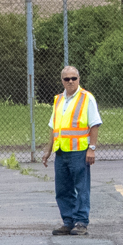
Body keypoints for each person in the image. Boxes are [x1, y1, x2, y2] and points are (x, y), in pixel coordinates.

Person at [49, 65, 101, 236]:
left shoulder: (87, 98)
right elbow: (54, 127)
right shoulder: (58, 100)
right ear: (62, 81)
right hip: (61, 151)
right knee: (63, 189)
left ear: (79, 79)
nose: (70, 82)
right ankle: (68, 221)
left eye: (74, 78)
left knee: (81, 187)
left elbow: (94, 124)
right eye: (67, 79)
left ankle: (80, 222)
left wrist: (91, 149)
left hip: (79, 151)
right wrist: (48, 150)